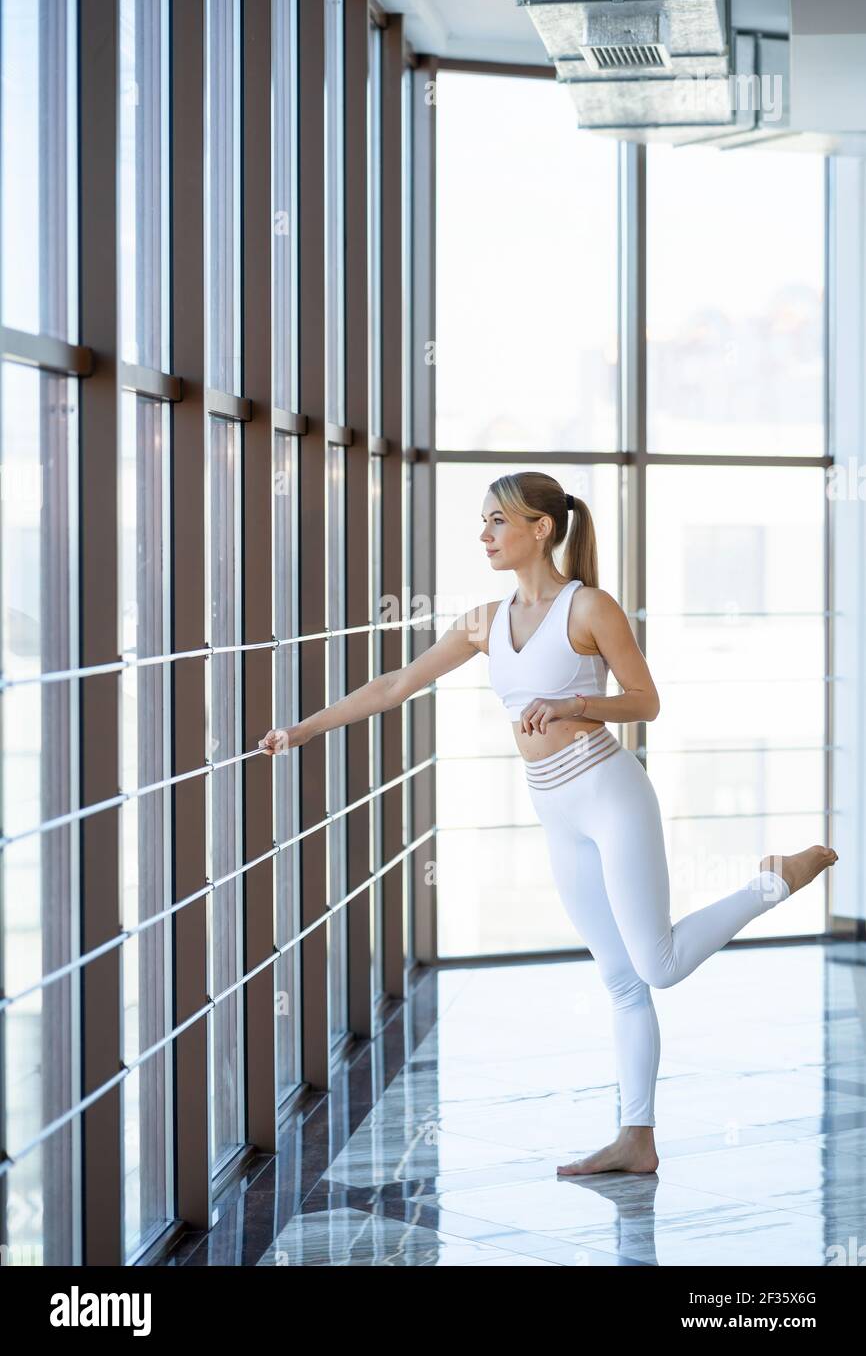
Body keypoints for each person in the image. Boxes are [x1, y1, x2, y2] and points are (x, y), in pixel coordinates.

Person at [259, 470, 838, 1177]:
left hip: (609, 795)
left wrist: (573, 708)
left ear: (541, 528)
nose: (485, 535)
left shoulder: (589, 608)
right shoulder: (481, 623)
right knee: (621, 982)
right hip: (554, 810)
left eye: (498, 522)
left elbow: (646, 702)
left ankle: (773, 881)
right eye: (483, 522)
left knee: (657, 964)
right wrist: (305, 728)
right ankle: (637, 1139)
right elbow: (394, 685)